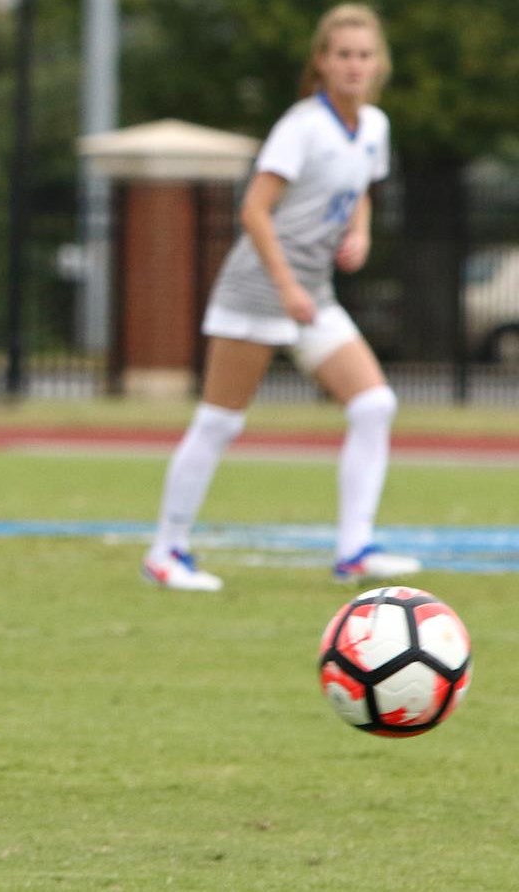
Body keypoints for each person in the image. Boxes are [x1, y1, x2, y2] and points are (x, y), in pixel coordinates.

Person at [142, 3, 420, 592]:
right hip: (260, 289)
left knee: (374, 405)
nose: (354, 65)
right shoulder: (303, 125)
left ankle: (354, 550)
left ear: (379, 64)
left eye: (364, 55)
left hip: (312, 292)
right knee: (220, 420)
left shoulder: (374, 126)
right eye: (343, 55)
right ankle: (166, 552)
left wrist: (361, 233)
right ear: (322, 62)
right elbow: (253, 210)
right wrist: (287, 286)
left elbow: (360, 189)